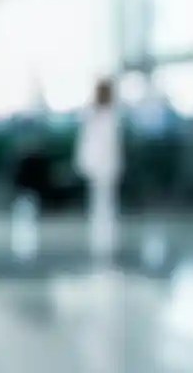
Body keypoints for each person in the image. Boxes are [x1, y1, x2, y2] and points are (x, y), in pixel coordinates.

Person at [74, 78, 122, 264]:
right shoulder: (97, 115)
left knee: (104, 201)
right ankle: (102, 239)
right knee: (101, 201)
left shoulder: (106, 114)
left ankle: (105, 238)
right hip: (100, 164)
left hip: (105, 164)